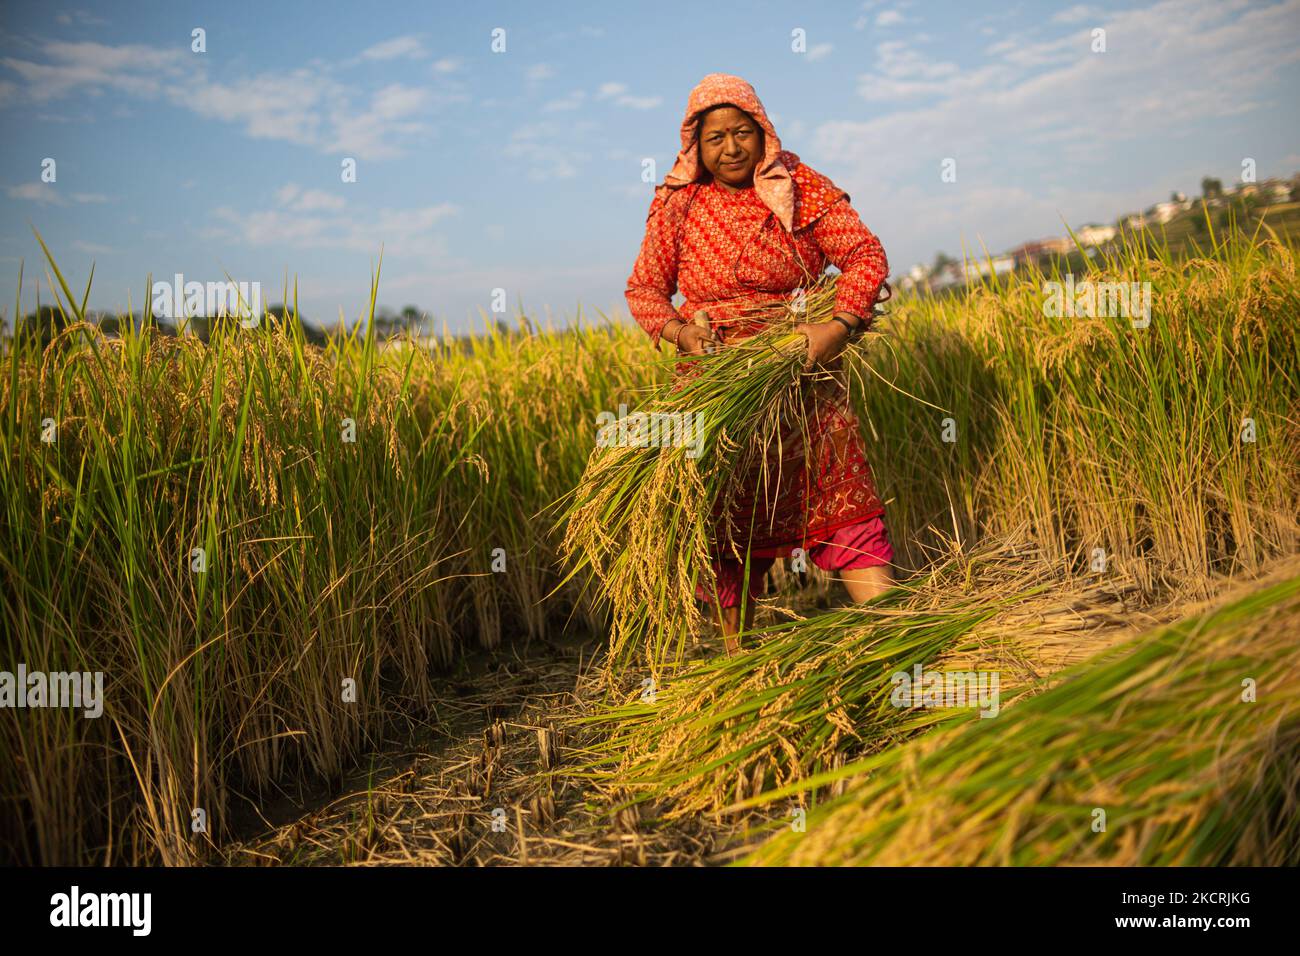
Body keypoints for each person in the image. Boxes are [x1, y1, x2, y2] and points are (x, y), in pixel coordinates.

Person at [625, 73, 895, 655]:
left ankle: (898, 646)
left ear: (763, 132)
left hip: (804, 380)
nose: (730, 148)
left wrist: (838, 326)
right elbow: (645, 290)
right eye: (715, 137)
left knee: (844, 507)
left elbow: (865, 255)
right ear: (694, 143)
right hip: (719, 388)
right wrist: (680, 333)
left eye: (742, 132)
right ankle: (740, 667)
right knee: (727, 529)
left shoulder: (800, 186)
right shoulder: (678, 203)